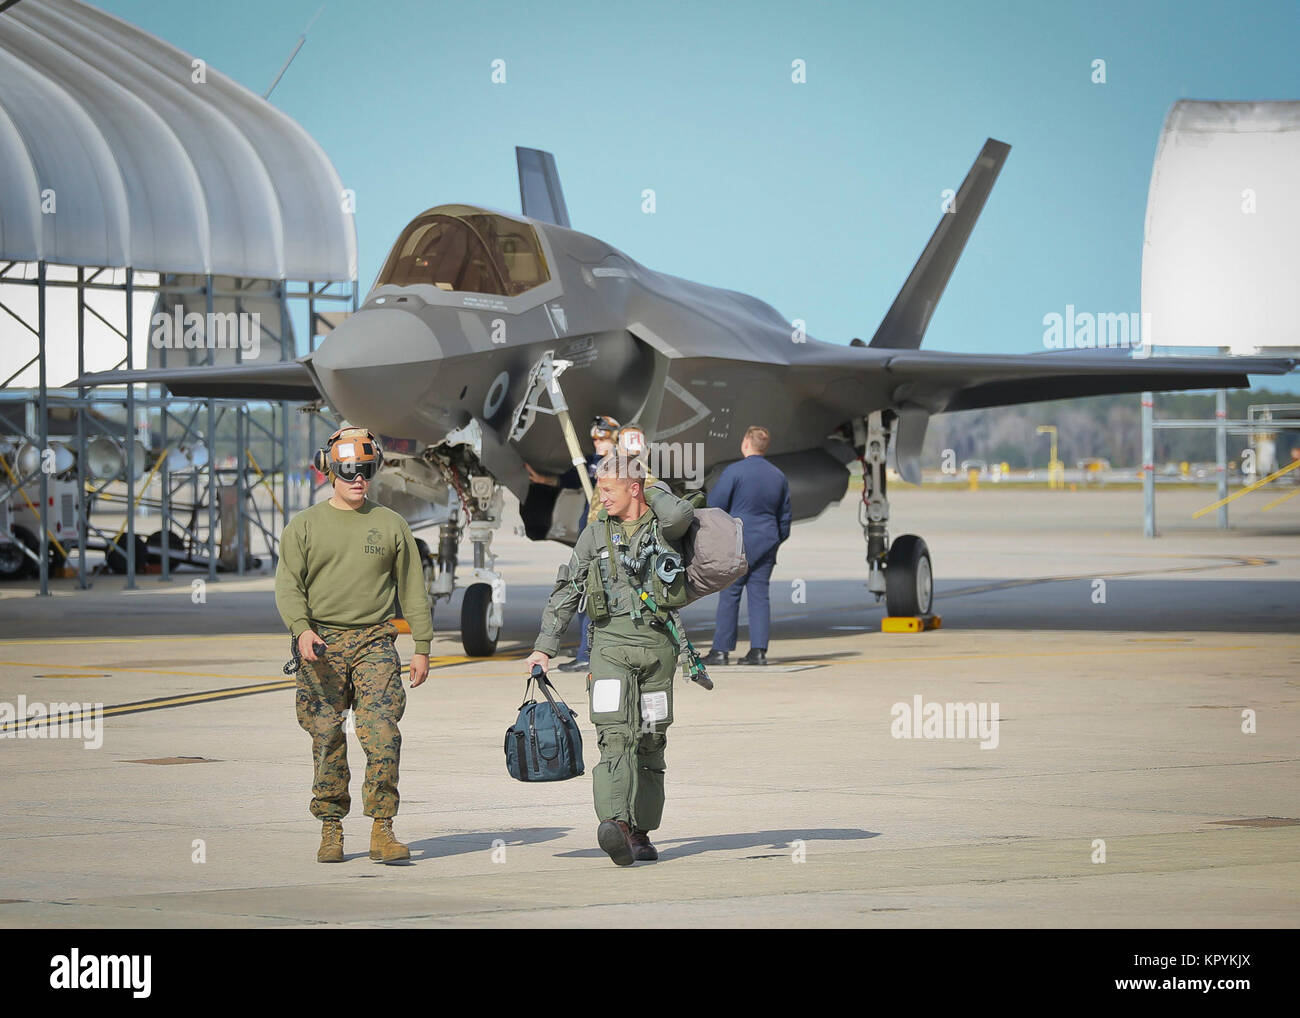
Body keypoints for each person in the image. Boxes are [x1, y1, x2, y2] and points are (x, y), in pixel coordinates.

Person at [526, 453, 696, 866]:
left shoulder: (664, 527)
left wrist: (650, 487)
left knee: (651, 739)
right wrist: (544, 647)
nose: (600, 497)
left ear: (635, 490)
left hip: (658, 651)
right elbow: (568, 588)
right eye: (599, 488)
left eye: (609, 489)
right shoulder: (595, 534)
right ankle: (615, 824)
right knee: (614, 735)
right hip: (609, 648)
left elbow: (681, 515)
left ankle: (641, 831)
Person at [274, 427, 433, 865]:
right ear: (330, 471)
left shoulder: (390, 524)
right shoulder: (303, 527)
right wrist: (302, 629)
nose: (358, 479)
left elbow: (413, 589)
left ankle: (383, 828)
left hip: (374, 642)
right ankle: (331, 828)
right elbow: (288, 586)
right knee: (326, 737)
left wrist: (422, 644)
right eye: (348, 471)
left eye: (365, 470)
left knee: (382, 734)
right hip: (320, 644)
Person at [525, 415, 620, 671]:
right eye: (595, 439)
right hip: (588, 530)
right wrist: (542, 481)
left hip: (608, 534)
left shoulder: (624, 466)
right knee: (581, 591)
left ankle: (590, 655)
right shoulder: (591, 464)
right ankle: (587, 653)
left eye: (602, 438)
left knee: (597, 593)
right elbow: (569, 479)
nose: (598, 443)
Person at [702, 426, 791, 666]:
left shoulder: (735, 472)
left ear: (745, 443)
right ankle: (758, 651)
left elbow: (715, 504)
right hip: (768, 541)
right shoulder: (778, 475)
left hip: (739, 541)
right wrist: (775, 540)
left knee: (730, 592)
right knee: (760, 595)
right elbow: (785, 516)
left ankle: (721, 650)